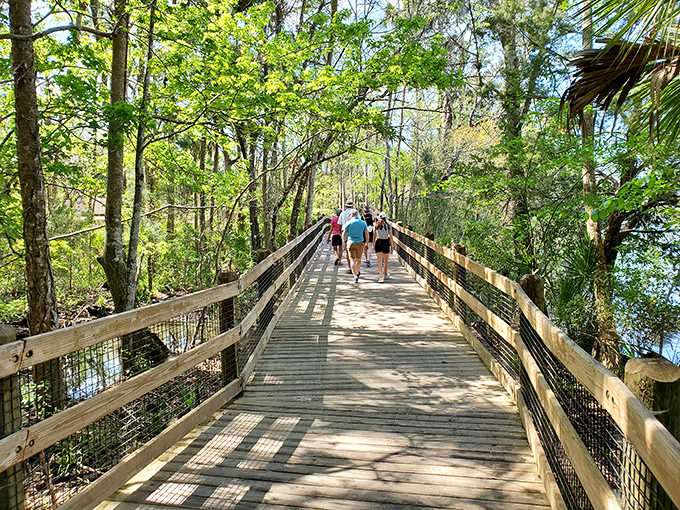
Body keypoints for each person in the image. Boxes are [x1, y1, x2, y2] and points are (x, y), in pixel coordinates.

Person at [342, 210, 368, 283]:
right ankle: (357, 271)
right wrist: (366, 243)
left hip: (350, 242)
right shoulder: (363, 223)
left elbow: (344, 233)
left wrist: (344, 241)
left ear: (352, 215)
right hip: (360, 243)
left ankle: (355, 275)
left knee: (352, 260)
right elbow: (366, 234)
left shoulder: (349, 222)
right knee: (359, 259)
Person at [373, 212, 394, 283]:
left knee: (379, 261)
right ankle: (384, 274)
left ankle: (381, 276)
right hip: (385, 242)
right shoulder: (388, 225)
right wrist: (392, 246)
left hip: (378, 242)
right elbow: (390, 236)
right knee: (385, 260)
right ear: (385, 218)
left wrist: (373, 244)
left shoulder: (376, 225)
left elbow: (374, 235)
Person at [338, 202, 355, 273]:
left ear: (346, 206)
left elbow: (339, 224)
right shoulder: (355, 213)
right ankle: (354, 267)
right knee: (354, 249)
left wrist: (340, 232)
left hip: (345, 232)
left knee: (347, 250)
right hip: (354, 232)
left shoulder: (342, 213)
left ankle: (350, 268)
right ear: (352, 206)